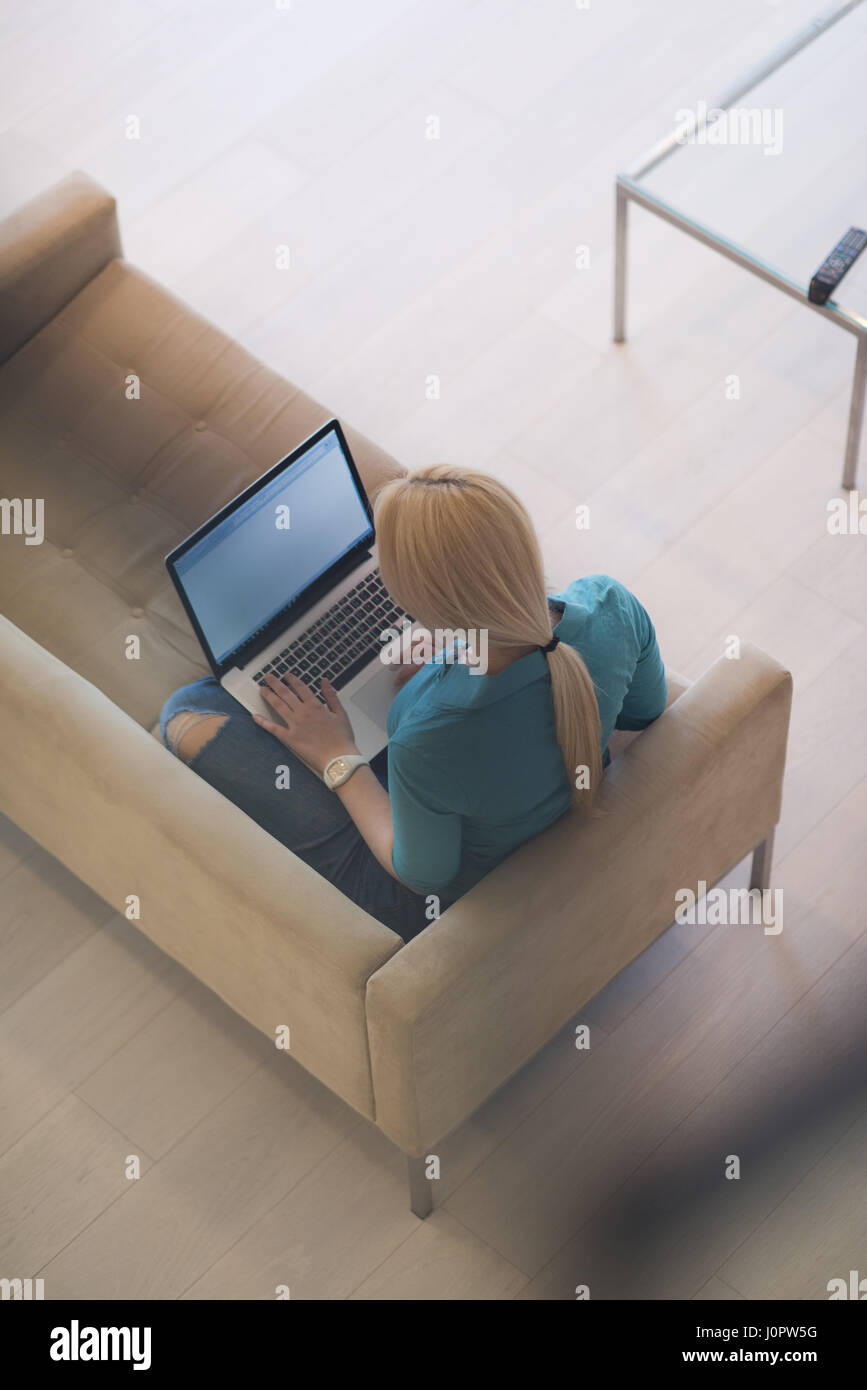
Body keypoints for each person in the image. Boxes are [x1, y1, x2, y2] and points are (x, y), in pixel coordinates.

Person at [160, 465, 667, 941]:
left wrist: (337, 758)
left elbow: (422, 874)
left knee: (189, 709)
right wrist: (458, 654)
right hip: (483, 782)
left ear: (424, 606)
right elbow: (645, 709)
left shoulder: (427, 733)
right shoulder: (610, 603)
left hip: (419, 890)